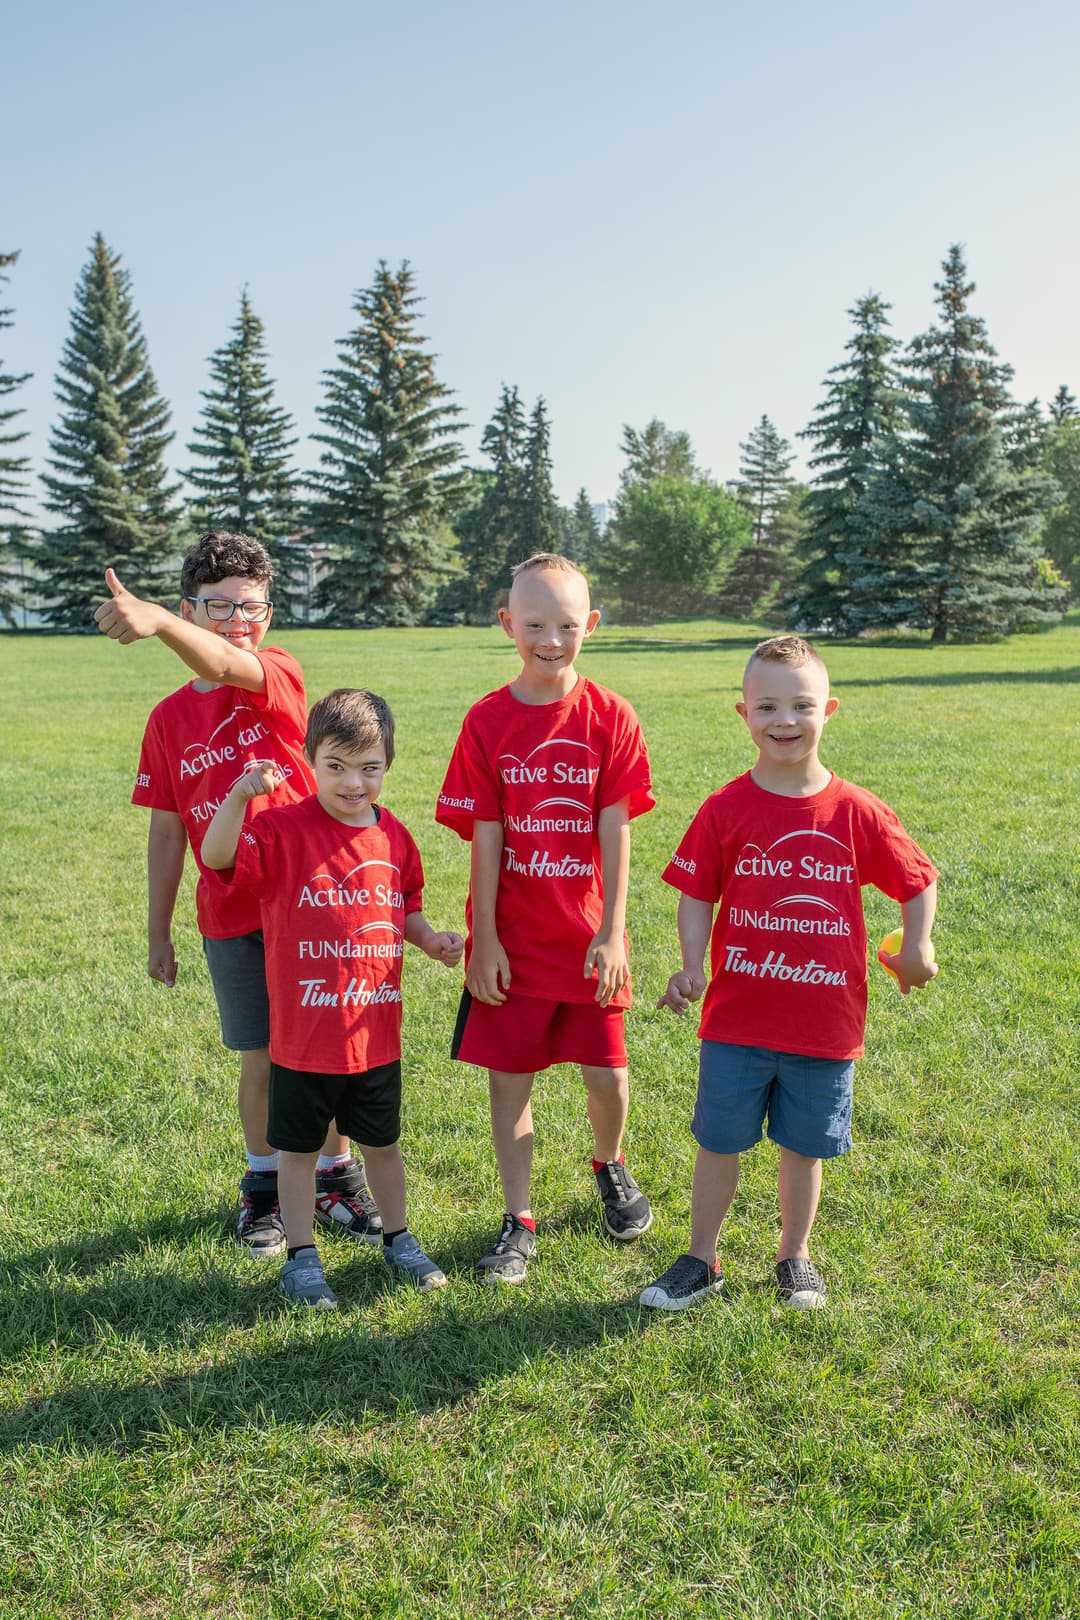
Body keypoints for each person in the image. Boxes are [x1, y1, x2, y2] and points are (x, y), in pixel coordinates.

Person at [94, 532, 379, 1257]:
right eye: (217, 606)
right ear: (192, 607)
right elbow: (167, 833)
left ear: (269, 615)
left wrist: (159, 621)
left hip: (310, 905)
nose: (235, 620)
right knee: (261, 1055)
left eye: (249, 606)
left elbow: (224, 662)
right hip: (229, 915)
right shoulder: (168, 720)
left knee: (320, 1050)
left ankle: (334, 1177)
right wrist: (157, 931)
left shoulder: (275, 672)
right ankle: (263, 1187)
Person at [640, 634, 939, 1312]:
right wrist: (691, 965)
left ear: (827, 710)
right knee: (719, 1143)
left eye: (802, 705)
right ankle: (701, 1258)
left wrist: (918, 947)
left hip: (823, 1026)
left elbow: (918, 879)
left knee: (803, 1150)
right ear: (742, 713)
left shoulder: (855, 810)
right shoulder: (725, 808)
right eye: (768, 706)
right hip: (736, 1021)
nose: (785, 720)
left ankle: (793, 1256)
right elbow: (697, 893)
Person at [202, 687, 464, 1308]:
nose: (353, 782)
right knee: (298, 1153)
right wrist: (240, 795)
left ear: (388, 764)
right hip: (302, 1039)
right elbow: (215, 857)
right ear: (310, 760)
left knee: (383, 1145)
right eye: (336, 766)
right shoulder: (280, 830)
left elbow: (404, 908)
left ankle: (399, 1239)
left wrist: (430, 940)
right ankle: (301, 1258)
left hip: (373, 1035)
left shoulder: (395, 837)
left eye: (369, 767)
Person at [436, 553, 655, 1284]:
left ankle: (609, 1164)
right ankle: (519, 1216)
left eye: (566, 625)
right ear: (508, 624)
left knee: (608, 1077)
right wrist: (485, 939)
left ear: (591, 624)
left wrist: (613, 930)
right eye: (534, 625)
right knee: (510, 1083)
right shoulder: (486, 721)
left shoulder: (611, 716)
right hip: (514, 943)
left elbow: (616, 828)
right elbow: (486, 834)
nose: (551, 640)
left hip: (587, 938)